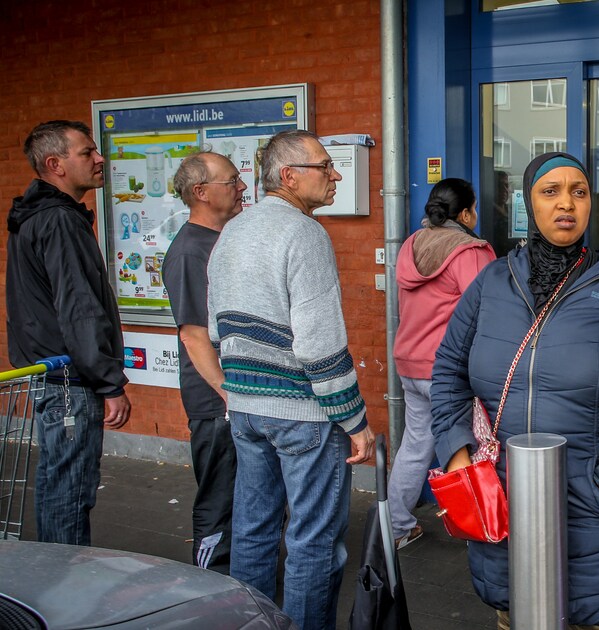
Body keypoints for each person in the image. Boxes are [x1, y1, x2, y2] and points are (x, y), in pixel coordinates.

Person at [431, 152, 599, 629]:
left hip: (592, 506)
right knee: (516, 616)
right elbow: (447, 371)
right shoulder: (491, 283)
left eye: (578, 192)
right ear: (530, 203)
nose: (566, 203)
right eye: (551, 191)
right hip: (504, 502)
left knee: (593, 619)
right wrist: (456, 454)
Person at [207, 129, 375, 630]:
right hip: (303, 414)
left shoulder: (232, 231)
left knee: (254, 531)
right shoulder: (305, 234)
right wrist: (356, 422)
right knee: (313, 541)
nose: (336, 175)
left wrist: (237, 392)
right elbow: (320, 345)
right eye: (325, 167)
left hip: (245, 408)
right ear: (288, 176)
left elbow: (218, 327)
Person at [6, 120, 131, 546]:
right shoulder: (59, 220)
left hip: (53, 375)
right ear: (55, 164)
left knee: (58, 482)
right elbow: (80, 307)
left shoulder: (37, 216)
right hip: (68, 382)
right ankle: (65, 593)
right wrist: (109, 382)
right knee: (70, 490)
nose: (100, 159)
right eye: (87, 152)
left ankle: (52, 581)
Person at [386, 177, 495, 551]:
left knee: (415, 445)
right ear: (465, 213)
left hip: (409, 363)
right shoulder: (469, 251)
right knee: (469, 446)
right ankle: (477, 525)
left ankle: (396, 527)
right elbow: (489, 309)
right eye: (474, 208)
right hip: (449, 371)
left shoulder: (411, 245)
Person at [162, 152, 245, 573]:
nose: (242, 187)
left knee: (245, 495)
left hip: (238, 396)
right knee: (219, 497)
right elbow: (193, 334)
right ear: (201, 192)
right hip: (217, 404)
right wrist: (228, 394)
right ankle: (210, 582)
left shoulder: (223, 239)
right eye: (231, 181)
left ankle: (246, 580)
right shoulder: (190, 252)